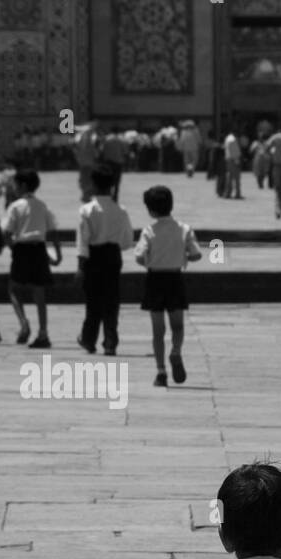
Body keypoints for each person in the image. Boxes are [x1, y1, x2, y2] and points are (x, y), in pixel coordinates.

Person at [134, 184, 201, 388]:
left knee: (158, 330)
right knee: (177, 326)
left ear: (150, 209)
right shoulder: (184, 229)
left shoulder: (149, 231)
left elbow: (139, 256)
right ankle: (176, 352)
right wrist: (183, 256)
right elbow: (196, 254)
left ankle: (161, 371)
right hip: (175, 279)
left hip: (154, 280)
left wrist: (150, 262)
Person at [76, 168, 132, 357]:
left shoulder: (86, 210)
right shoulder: (121, 210)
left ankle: (88, 339)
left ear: (93, 185)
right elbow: (126, 242)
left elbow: (83, 241)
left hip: (94, 256)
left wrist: (80, 266)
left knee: (93, 302)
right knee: (111, 300)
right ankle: (110, 342)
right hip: (113, 256)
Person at [3, 169, 61, 348]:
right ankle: (43, 332)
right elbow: (52, 232)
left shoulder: (15, 206)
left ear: (23, 186)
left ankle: (23, 323)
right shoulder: (43, 205)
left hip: (22, 248)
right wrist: (57, 255)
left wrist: (13, 248)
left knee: (13, 288)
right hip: (39, 249)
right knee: (39, 293)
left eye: (15, 184)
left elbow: (7, 232)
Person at [74, 123, 100, 202]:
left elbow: (77, 153)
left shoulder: (81, 142)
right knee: (88, 179)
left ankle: (86, 193)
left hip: (83, 164)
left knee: (84, 179)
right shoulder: (90, 142)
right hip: (88, 164)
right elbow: (96, 154)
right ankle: (87, 193)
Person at [100, 128, 129, 199]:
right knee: (117, 183)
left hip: (108, 163)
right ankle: (115, 198)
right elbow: (125, 152)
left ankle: (108, 196)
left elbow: (102, 150)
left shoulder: (106, 139)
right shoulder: (121, 140)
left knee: (107, 181)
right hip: (118, 163)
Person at [223, 129, 243, 200]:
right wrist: (237, 161)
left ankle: (227, 193)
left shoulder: (228, 138)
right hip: (233, 160)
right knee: (236, 178)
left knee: (229, 177)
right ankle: (237, 194)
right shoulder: (233, 139)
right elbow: (234, 151)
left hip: (228, 159)